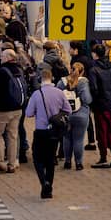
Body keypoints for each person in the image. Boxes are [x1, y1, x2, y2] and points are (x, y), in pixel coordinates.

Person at [26, 69, 71, 199]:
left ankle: (43, 182)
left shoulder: (36, 94)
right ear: (52, 78)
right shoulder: (59, 92)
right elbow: (68, 110)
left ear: (40, 79)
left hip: (40, 130)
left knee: (37, 158)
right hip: (54, 131)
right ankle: (49, 188)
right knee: (50, 159)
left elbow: (28, 113)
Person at [0, 49, 27, 174]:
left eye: (2, 55)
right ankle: (12, 164)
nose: (0, 57)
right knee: (13, 136)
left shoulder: (2, 71)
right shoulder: (20, 70)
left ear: (8, 57)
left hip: (2, 109)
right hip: (17, 109)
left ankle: (0, 162)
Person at [89, 43, 111, 168]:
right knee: (109, 130)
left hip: (100, 105)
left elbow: (94, 89)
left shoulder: (94, 70)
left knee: (101, 132)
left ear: (95, 54)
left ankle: (103, 157)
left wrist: (93, 102)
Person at [57, 62, 91, 171]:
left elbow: (56, 98)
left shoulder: (62, 82)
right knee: (79, 140)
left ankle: (67, 162)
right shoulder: (83, 82)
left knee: (67, 138)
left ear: (70, 70)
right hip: (81, 114)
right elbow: (87, 99)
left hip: (66, 114)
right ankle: (78, 163)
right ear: (82, 72)